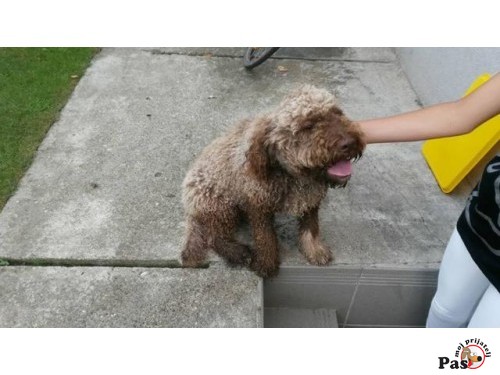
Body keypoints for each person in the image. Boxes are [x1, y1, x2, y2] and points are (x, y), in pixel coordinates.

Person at [357, 73, 500, 328]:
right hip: (486, 218)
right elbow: (460, 115)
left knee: (476, 353)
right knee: (444, 312)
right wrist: (344, 133)